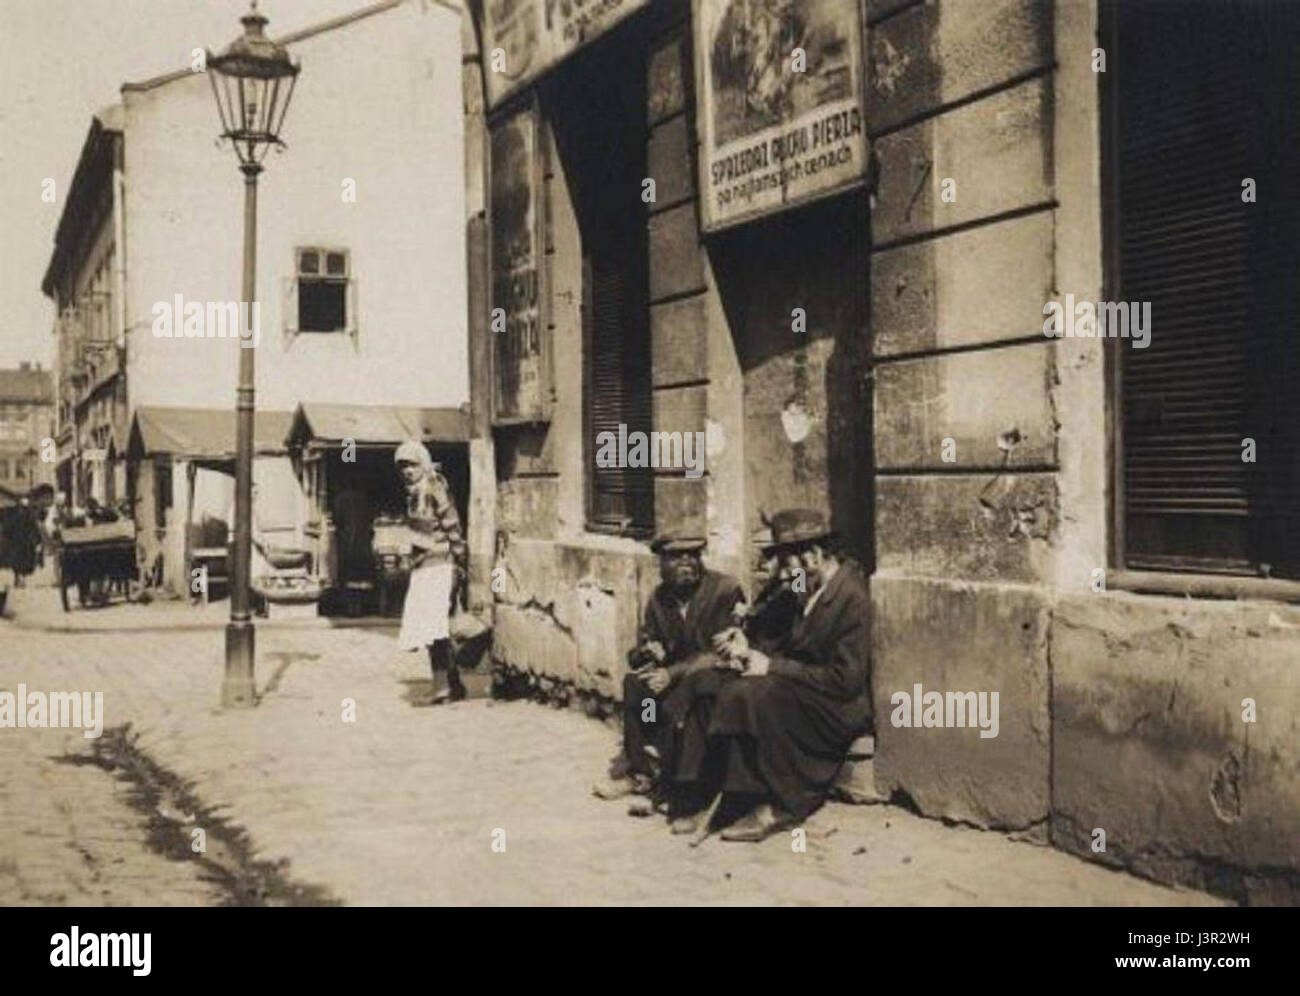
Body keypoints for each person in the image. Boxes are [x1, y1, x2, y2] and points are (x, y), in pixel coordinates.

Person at [707, 508, 872, 842]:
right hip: (806, 689)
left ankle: (787, 804)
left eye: (789, 564)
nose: (785, 575)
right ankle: (742, 793)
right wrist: (748, 646)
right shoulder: (807, 585)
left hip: (837, 707)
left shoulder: (850, 596)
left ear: (812, 555)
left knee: (759, 695)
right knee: (738, 688)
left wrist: (772, 667)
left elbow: (845, 681)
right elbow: (785, 641)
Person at [593, 531, 745, 834]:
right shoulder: (659, 599)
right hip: (675, 684)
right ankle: (642, 772)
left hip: (716, 681)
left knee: (686, 695)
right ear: (661, 562)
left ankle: (680, 790)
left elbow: (720, 651)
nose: (686, 563)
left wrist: (672, 672)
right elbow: (639, 651)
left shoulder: (725, 590)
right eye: (676, 557)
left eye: (692, 556)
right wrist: (646, 653)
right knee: (638, 688)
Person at [394, 440, 467, 703]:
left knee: (433, 627)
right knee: (434, 627)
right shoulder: (414, 491)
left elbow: (451, 522)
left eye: (412, 464)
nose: (407, 471)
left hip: (439, 563)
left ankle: (441, 688)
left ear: (423, 463)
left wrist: (459, 559)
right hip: (424, 565)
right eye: (402, 466)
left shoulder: (434, 485)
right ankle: (453, 684)